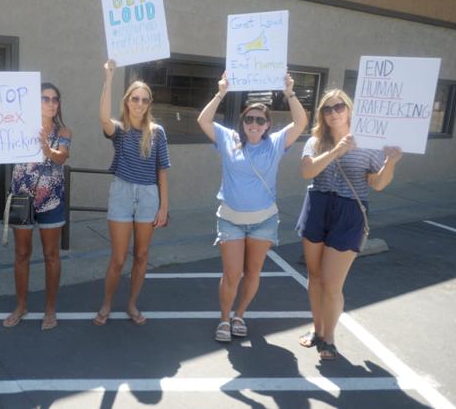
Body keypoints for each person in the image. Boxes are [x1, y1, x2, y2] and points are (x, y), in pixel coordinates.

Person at [197, 72, 307, 342]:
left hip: (264, 221)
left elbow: (301, 122)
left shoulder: (276, 144)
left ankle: (240, 315)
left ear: (268, 124)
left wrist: (290, 92)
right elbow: (203, 120)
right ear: (243, 122)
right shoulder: (228, 139)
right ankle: (224, 318)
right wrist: (221, 92)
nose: (254, 124)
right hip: (231, 219)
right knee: (232, 274)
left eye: (260, 120)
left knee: (253, 273)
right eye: (249, 118)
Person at [296, 89, 402, 360]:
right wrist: (338, 149)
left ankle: (329, 338)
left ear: (350, 109)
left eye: (339, 107)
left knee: (332, 284)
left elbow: (377, 184)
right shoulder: (316, 141)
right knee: (315, 277)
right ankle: (317, 329)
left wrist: (390, 161)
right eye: (327, 109)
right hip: (318, 206)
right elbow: (308, 172)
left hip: (349, 211)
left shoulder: (369, 142)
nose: (333, 113)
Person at [0, 83, 72, 331]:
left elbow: (61, 156)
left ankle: (50, 309)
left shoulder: (63, 131)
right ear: (34, 102)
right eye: (45, 98)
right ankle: (21, 306)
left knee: (51, 256)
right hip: (21, 198)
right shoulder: (17, 127)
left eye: (55, 99)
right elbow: (0, 146)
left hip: (52, 201)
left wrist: (47, 149)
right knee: (22, 254)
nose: (51, 103)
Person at [94, 60, 170, 326]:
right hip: (122, 192)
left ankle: (132, 304)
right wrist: (109, 77)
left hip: (149, 195)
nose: (139, 103)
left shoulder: (157, 132)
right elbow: (103, 117)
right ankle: (106, 304)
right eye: (135, 99)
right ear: (127, 101)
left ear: (149, 103)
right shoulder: (120, 130)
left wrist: (163, 206)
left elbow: (162, 170)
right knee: (118, 257)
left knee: (142, 255)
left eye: (145, 100)